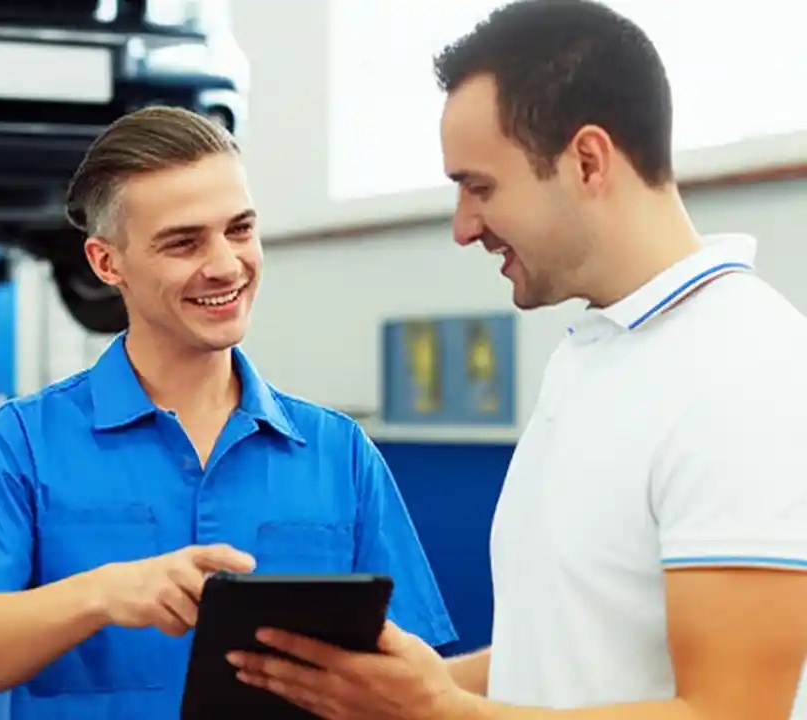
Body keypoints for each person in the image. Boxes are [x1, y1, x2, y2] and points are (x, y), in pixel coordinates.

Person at [228, 1, 807, 718]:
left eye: (480, 186)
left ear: (587, 160)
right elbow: (569, 651)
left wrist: (439, 714)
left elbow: (732, 712)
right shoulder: (596, 357)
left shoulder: (745, 371)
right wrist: (386, 685)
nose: (464, 227)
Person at [0, 106, 458, 720]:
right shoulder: (16, 446)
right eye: (184, 242)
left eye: (239, 230)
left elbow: (411, 680)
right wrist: (101, 594)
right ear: (108, 264)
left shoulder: (339, 455)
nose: (224, 264)